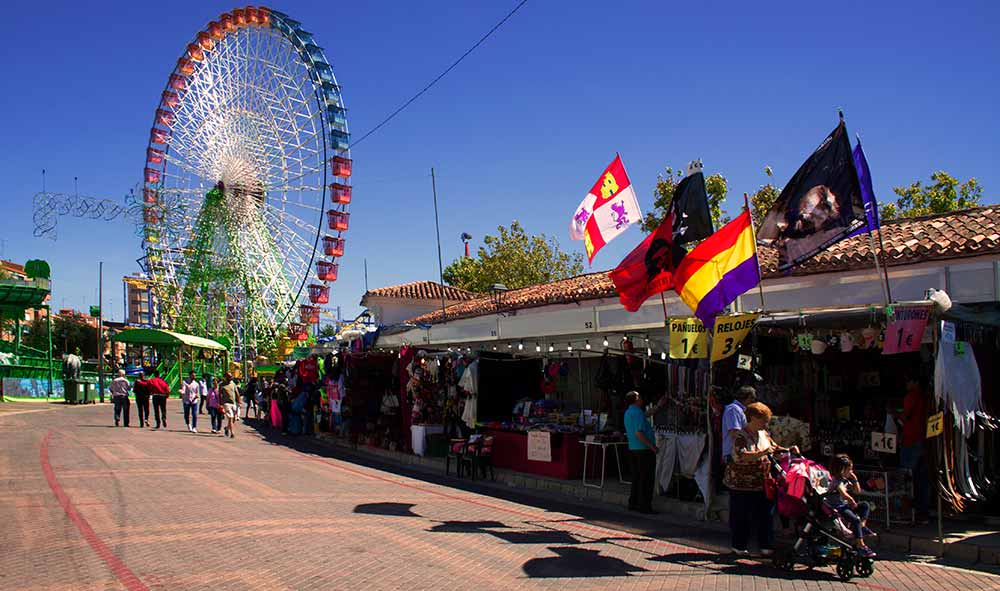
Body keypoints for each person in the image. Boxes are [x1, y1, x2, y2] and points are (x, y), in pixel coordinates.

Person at [725, 401, 785, 557]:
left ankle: (766, 545)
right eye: (763, 420)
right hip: (741, 484)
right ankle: (739, 546)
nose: (765, 424)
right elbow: (741, 455)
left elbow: (774, 448)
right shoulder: (741, 436)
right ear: (752, 418)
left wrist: (788, 450)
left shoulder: (764, 434)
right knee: (741, 516)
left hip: (762, 482)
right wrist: (763, 453)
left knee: (765, 514)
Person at [828, 453, 876, 558]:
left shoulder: (845, 480)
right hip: (838, 507)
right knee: (855, 520)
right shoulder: (837, 480)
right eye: (849, 470)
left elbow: (857, 491)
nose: (851, 471)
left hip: (845, 505)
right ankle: (861, 545)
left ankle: (862, 526)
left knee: (865, 505)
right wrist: (850, 500)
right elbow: (842, 492)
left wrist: (855, 479)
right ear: (842, 470)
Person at [897, 376, 930, 523]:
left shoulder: (911, 396)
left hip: (910, 441)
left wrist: (893, 413)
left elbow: (905, 417)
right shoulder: (925, 398)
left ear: (915, 382)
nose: (906, 383)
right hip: (922, 440)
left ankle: (907, 512)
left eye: (909, 380)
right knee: (922, 479)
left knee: (906, 479)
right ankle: (923, 513)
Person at [623, 390, 658, 515]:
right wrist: (652, 447)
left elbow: (645, 415)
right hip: (643, 449)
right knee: (646, 479)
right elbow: (639, 433)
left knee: (637, 478)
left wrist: (658, 406)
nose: (642, 399)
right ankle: (644, 506)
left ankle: (633, 502)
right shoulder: (637, 412)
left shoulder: (629, 412)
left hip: (633, 448)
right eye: (640, 397)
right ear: (636, 399)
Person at [722, 386, 756, 463]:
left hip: (738, 453)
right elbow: (734, 433)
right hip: (733, 454)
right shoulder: (734, 409)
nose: (753, 401)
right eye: (752, 398)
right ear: (748, 397)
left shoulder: (739, 410)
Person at [219, 373, 240, 439]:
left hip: (233, 403)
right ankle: (232, 433)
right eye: (229, 376)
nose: (231, 378)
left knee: (234, 419)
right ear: (225, 377)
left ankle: (227, 428)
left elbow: (237, 393)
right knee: (230, 417)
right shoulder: (222, 385)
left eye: (231, 376)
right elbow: (220, 395)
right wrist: (221, 404)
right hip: (226, 403)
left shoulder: (233, 384)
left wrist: (239, 401)